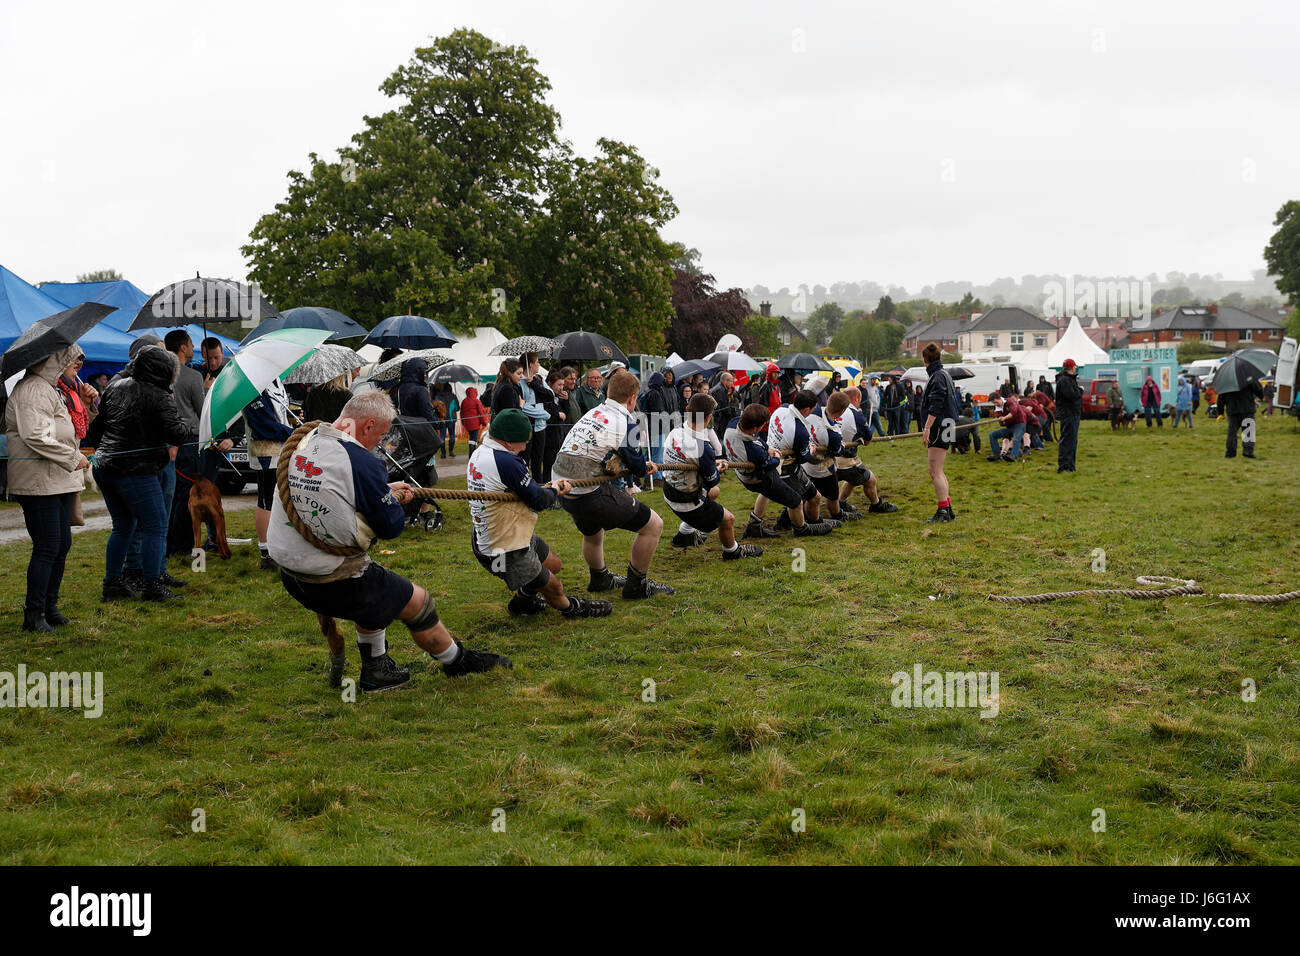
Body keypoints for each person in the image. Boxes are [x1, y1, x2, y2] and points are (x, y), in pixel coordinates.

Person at [270, 390, 510, 691]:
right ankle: (457, 661)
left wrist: (381, 489)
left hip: (291, 573)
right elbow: (391, 526)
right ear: (368, 425)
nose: (380, 444)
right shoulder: (362, 462)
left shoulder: (303, 441)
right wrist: (393, 501)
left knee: (378, 589)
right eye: (381, 435)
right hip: (328, 579)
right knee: (418, 602)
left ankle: (376, 668)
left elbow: (334, 487)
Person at [467, 408, 611, 618]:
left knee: (554, 564)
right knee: (554, 588)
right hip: (502, 548)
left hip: (509, 531)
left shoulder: (483, 451)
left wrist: (547, 488)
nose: (526, 446)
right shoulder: (507, 462)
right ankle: (574, 609)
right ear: (508, 441)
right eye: (523, 441)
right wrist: (555, 489)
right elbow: (539, 501)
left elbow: (526, 490)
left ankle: (523, 601)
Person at [551, 369, 672, 599]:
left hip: (562, 487)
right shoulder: (627, 423)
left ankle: (600, 578)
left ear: (607, 391)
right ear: (632, 398)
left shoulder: (592, 413)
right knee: (653, 525)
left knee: (593, 532)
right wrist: (645, 466)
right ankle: (636, 585)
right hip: (587, 491)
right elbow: (637, 469)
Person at [87, 345, 192, 603]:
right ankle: (152, 585)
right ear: (162, 371)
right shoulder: (157, 395)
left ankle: (113, 583)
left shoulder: (114, 387)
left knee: (123, 526)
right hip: (136, 471)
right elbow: (177, 433)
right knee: (155, 525)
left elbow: (96, 429)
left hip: (107, 467)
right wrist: (186, 423)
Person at [5, 344, 93, 631]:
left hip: (56, 479)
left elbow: (71, 432)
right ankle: (34, 615)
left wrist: (87, 403)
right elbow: (36, 436)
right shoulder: (33, 389)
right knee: (47, 546)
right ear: (55, 358)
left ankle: (49, 606)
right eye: (72, 358)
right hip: (38, 481)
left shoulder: (53, 388)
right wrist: (73, 458)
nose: (77, 364)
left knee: (61, 544)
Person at [661, 393, 764, 560]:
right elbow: (712, 479)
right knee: (728, 519)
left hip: (669, 491)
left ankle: (684, 534)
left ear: (687, 410)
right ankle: (733, 551)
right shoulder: (703, 447)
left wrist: (708, 466)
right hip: (685, 500)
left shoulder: (676, 431)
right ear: (708, 417)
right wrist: (717, 469)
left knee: (714, 492)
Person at [724, 403, 833, 538]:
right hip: (759, 479)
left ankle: (754, 526)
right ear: (755, 428)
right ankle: (802, 529)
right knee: (796, 501)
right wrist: (775, 455)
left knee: (766, 494)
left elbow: (755, 439)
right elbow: (771, 464)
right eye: (763, 425)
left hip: (743, 474)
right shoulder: (754, 452)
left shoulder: (733, 423)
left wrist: (768, 448)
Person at [163, 330, 210, 557]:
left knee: (169, 494)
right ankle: (181, 545)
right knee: (187, 495)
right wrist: (207, 391)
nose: (193, 348)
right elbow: (203, 413)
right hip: (189, 441)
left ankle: (167, 543)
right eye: (191, 344)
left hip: (165, 441)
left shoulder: (162, 374)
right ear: (182, 348)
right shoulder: (192, 376)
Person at [240, 378, 295, 569]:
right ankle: (265, 552)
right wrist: (291, 431)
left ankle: (278, 545)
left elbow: (278, 413)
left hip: (282, 449)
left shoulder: (276, 380)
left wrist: (293, 417)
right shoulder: (252, 386)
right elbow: (262, 424)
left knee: (280, 499)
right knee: (266, 499)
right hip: (266, 451)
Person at [768, 390, 841, 531]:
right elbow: (803, 458)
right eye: (813, 409)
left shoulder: (781, 408)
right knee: (813, 497)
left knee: (797, 496)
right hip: (787, 468)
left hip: (774, 459)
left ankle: (783, 523)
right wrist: (811, 451)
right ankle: (813, 525)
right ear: (807, 409)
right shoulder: (800, 431)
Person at [827, 390, 897, 515]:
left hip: (826, 461)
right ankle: (876, 504)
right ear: (857, 398)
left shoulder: (826, 411)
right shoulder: (855, 415)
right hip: (846, 461)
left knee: (852, 479)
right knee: (870, 480)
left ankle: (841, 502)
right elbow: (868, 440)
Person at [918, 343, 959, 522]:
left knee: (934, 471)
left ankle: (943, 510)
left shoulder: (937, 376)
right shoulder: (944, 374)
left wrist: (927, 427)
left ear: (925, 360)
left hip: (941, 425)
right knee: (939, 470)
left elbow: (936, 404)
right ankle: (947, 508)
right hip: (947, 424)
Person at [1222, 379, 1264, 459]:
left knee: (1232, 433)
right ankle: (1248, 451)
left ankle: (1231, 452)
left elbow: (1222, 395)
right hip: (1247, 409)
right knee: (1248, 431)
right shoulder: (1249, 377)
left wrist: (1220, 411)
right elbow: (1258, 389)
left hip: (1233, 410)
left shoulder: (1227, 380)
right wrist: (1261, 396)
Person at [1055, 359, 1083, 473]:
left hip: (1072, 413)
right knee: (1068, 440)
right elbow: (1072, 395)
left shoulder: (1067, 379)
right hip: (1069, 414)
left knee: (1071, 440)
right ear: (1072, 368)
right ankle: (1064, 466)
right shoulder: (1065, 380)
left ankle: (1070, 466)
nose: (1075, 368)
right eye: (1075, 367)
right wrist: (1080, 390)